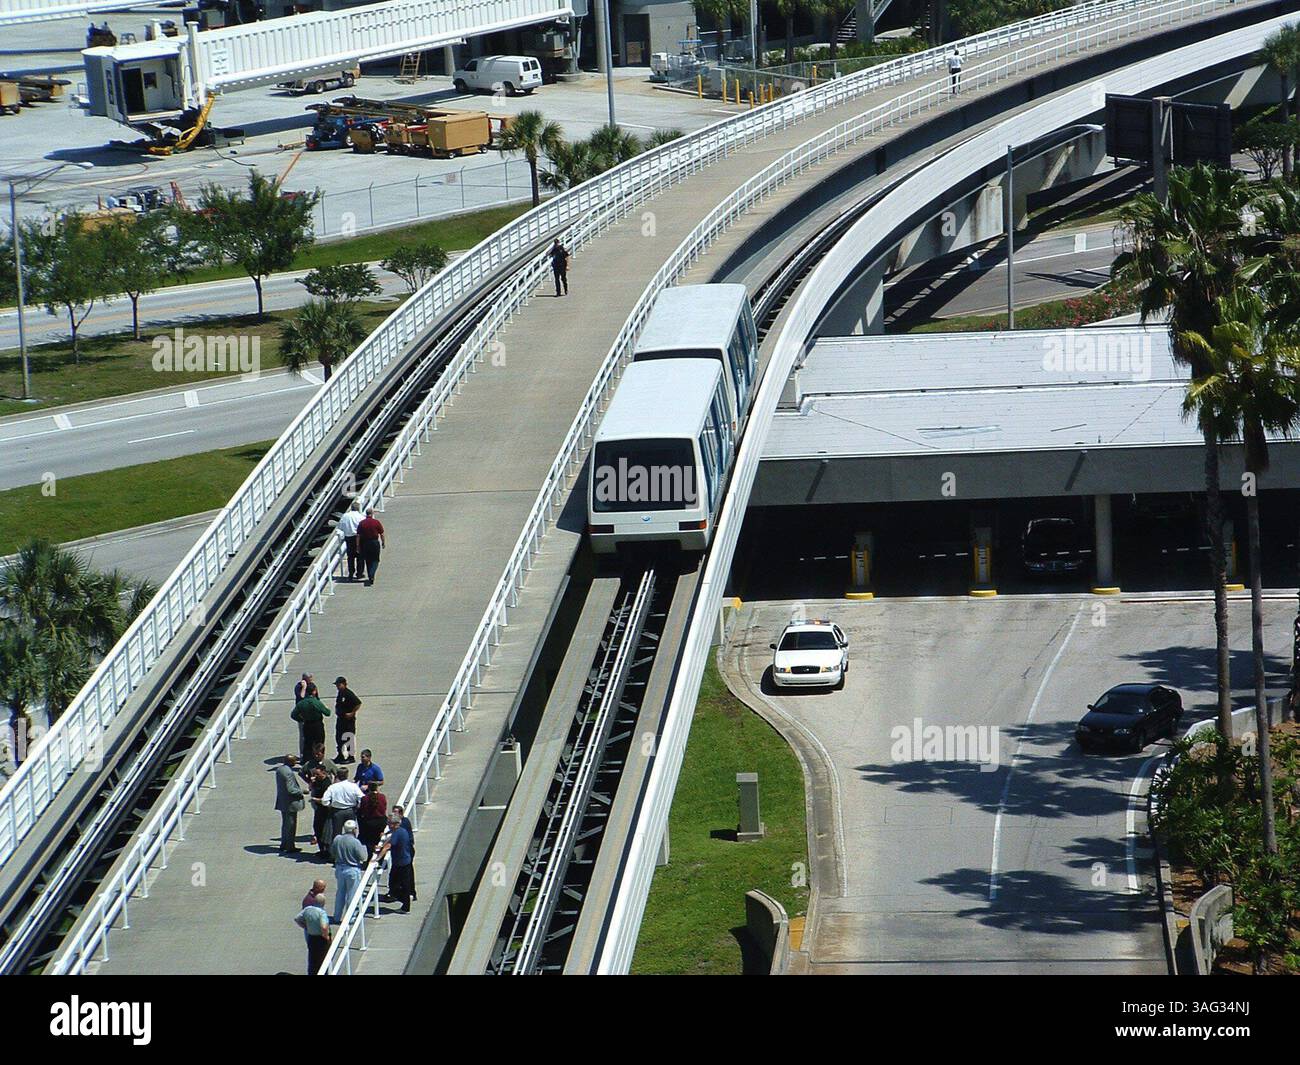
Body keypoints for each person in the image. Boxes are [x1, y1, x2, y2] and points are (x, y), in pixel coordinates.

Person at [330, 820, 368, 923]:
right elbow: (363, 857)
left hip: (339, 868)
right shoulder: (355, 842)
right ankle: (350, 917)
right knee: (352, 894)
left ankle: (337, 916)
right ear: (354, 830)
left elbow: (332, 852)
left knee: (340, 893)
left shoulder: (337, 839)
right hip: (352, 869)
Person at [376, 812, 415, 913]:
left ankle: (405, 903)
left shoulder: (398, 832)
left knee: (396, 885)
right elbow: (390, 840)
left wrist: (377, 858)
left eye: (389, 823)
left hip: (401, 863)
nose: (388, 825)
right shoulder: (400, 831)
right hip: (403, 861)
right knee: (398, 884)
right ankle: (406, 901)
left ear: (395, 824)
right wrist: (381, 845)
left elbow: (388, 846)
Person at [273, 754, 305, 853]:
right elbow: (291, 789)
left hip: (283, 801)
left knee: (285, 824)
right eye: (294, 761)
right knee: (291, 825)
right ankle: (290, 846)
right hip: (290, 803)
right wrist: (302, 791)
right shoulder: (288, 772)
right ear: (290, 762)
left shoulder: (280, 770)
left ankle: (284, 844)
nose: (296, 763)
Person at [321, 767, 364, 840]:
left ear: (337, 775)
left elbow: (324, 800)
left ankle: (337, 849)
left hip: (337, 811)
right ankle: (351, 847)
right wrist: (358, 805)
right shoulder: (353, 786)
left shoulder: (333, 787)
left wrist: (329, 805)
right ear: (347, 775)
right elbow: (362, 798)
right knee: (351, 831)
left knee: (336, 834)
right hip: (350, 811)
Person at [294, 892, 331, 974]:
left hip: (311, 937)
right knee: (322, 959)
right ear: (323, 903)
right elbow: (324, 927)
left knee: (312, 959)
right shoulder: (322, 913)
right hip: (320, 939)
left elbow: (297, 919)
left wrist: (305, 926)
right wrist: (326, 936)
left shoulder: (307, 909)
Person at [291, 687, 331, 761]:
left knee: (308, 744)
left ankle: (307, 761)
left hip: (307, 725)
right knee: (319, 744)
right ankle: (319, 760)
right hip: (317, 725)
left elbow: (293, 715)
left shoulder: (301, 703)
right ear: (314, 691)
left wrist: (301, 720)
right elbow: (327, 713)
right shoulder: (316, 702)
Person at [306, 766, 334, 856]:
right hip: (319, 809)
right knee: (317, 828)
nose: (316, 776)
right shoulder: (317, 781)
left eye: (317, 774)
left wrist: (315, 799)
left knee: (325, 831)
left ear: (324, 773)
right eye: (314, 774)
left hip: (325, 810)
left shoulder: (327, 784)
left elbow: (325, 800)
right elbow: (310, 789)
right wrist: (312, 781)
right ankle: (322, 850)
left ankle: (327, 851)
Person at [334, 677, 362, 763]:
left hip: (348, 721)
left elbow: (358, 703)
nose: (337, 686)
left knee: (349, 737)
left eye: (339, 684)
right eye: (337, 685)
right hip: (341, 720)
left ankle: (351, 756)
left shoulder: (348, 693)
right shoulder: (340, 693)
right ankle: (341, 755)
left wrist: (352, 713)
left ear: (344, 684)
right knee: (339, 738)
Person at [356, 508, 387, 586]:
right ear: (372, 514)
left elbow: (358, 536)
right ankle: (372, 574)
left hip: (365, 543)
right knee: (375, 560)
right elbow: (382, 534)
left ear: (366, 514)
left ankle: (370, 575)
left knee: (368, 560)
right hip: (374, 542)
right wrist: (383, 542)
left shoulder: (362, 523)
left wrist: (358, 546)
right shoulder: (376, 522)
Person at [358, 779, 388, 857]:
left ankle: (370, 856)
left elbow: (362, 811)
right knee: (380, 840)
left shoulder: (364, 798)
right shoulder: (382, 797)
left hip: (369, 823)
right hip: (381, 822)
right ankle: (381, 856)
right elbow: (384, 808)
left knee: (370, 842)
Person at [337, 501, 364, 581]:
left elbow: (340, 527)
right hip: (358, 537)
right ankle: (359, 573)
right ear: (358, 508)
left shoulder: (345, 516)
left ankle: (351, 573)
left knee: (350, 557)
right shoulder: (360, 517)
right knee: (360, 557)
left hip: (348, 538)